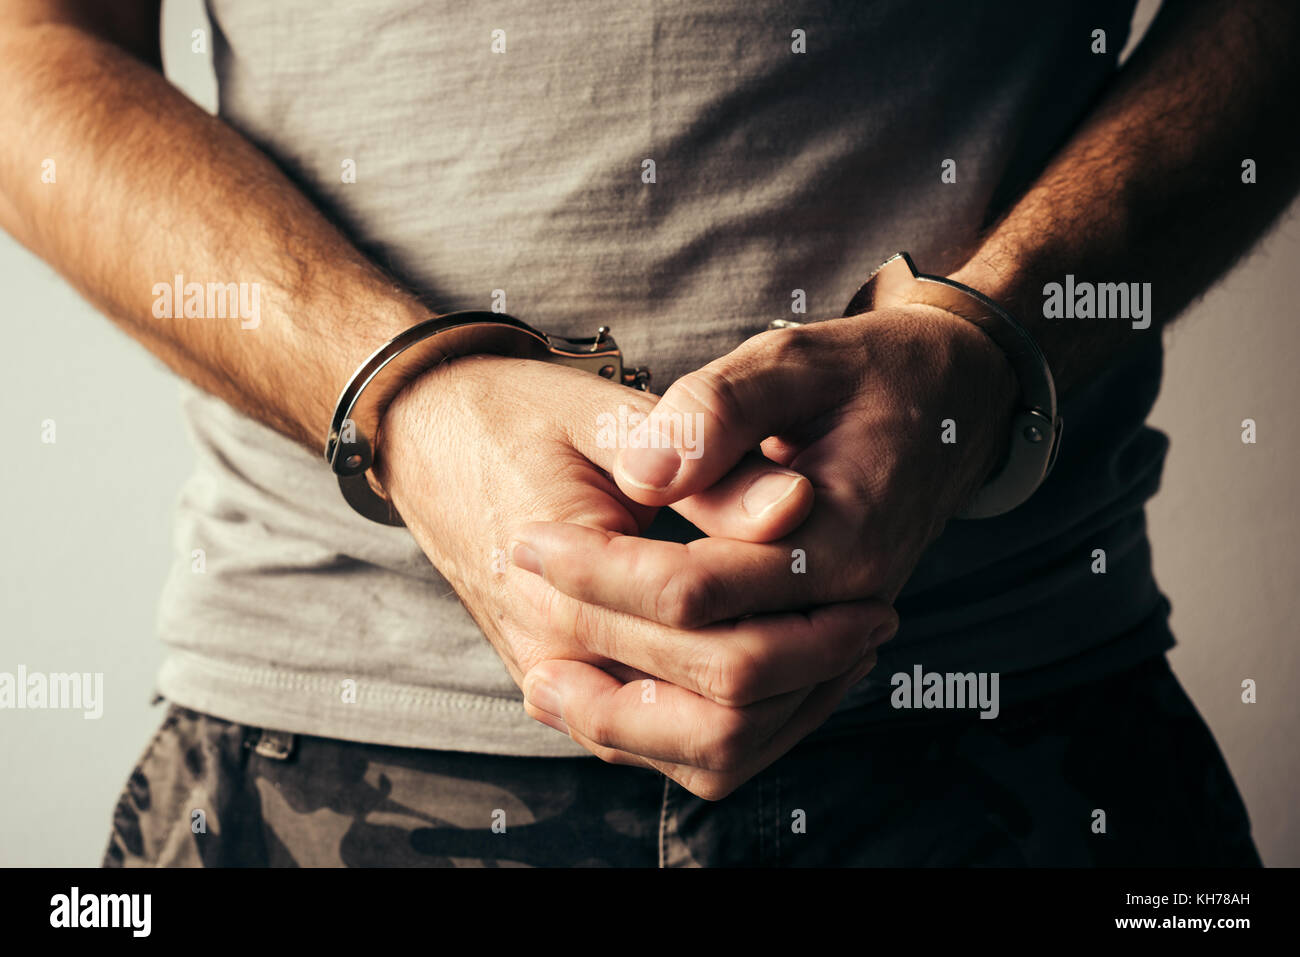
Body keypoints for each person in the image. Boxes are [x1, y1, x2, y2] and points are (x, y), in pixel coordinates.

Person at [1, 0, 1293, 866]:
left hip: (1022, 731)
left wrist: (986, 349)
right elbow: (30, 49)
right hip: (315, 741)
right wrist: (403, 404)